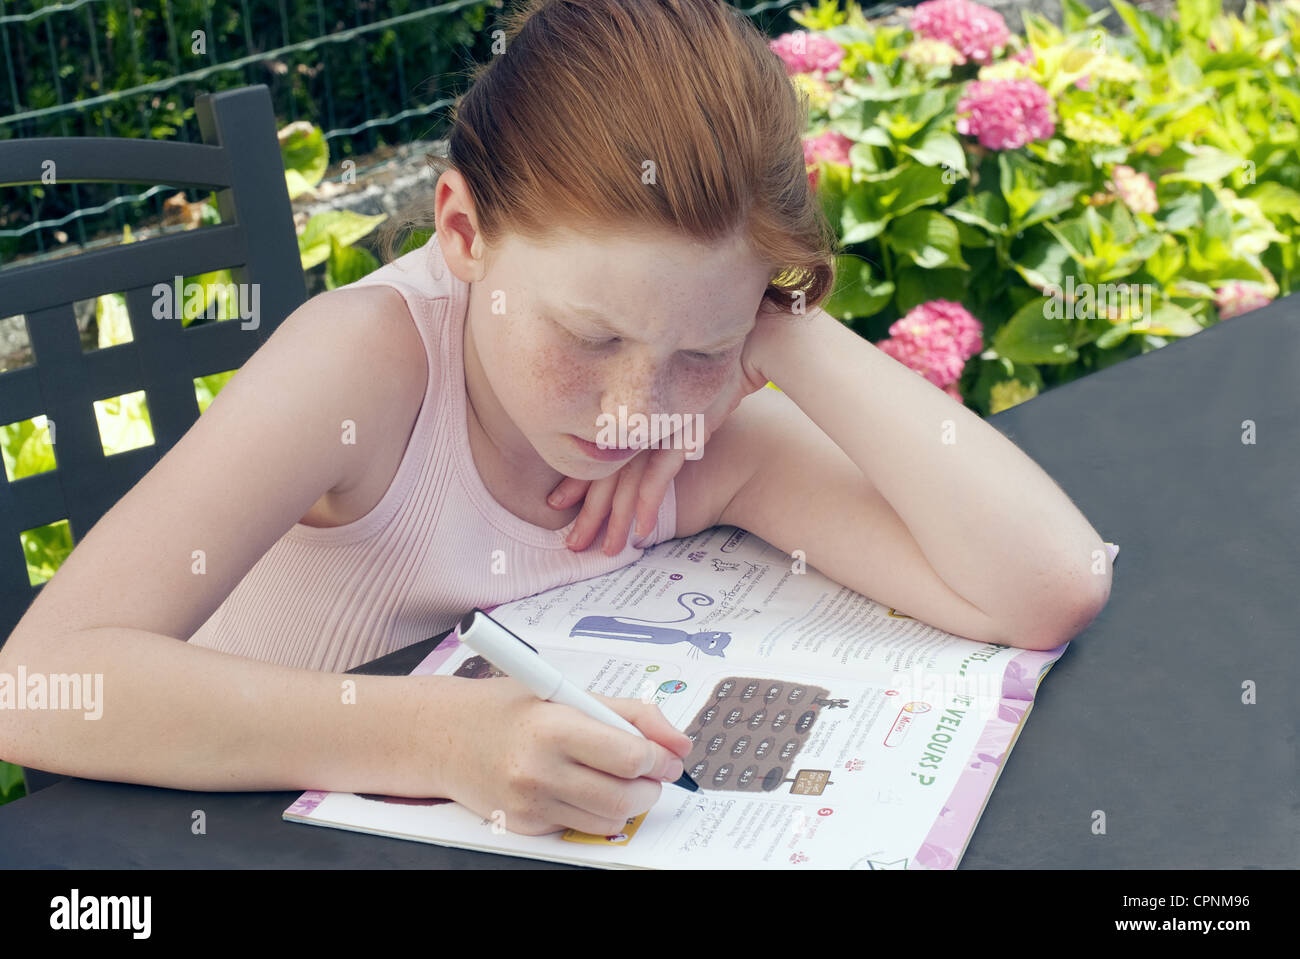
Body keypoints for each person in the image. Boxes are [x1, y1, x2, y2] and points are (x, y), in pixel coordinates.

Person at [0, 0, 1112, 839]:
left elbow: (1041, 584)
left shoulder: (702, 430)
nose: (634, 413)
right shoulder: (366, 368)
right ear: (463, 230)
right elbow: (41, 686)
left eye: (700, 350)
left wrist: (780, 326)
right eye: (586, 337)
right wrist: (439, 737)